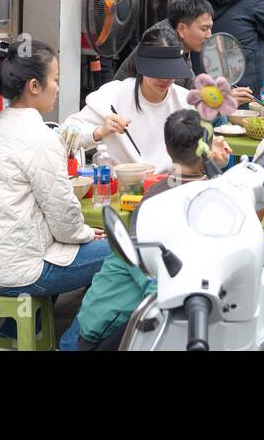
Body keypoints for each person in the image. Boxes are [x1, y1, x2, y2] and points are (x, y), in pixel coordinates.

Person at [0, 39, 110, 297]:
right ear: (35, 86)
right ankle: (75, 339)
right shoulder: (40, 138)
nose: (58, 88)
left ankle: (16, 331)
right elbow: (65, 223)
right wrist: (87, 233)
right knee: (124, 251)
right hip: (20, 274)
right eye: (56, 80)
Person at [59, 109, 210, 351]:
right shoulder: (210, 198)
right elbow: (155, 290)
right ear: (207, 150)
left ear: (168, 149)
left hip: (99, 317)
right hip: (112, 328)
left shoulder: (153, 196)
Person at [63, 44, 230, 172]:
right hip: (120, 188)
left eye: (171, 71)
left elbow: (209, 158)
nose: (165, 78)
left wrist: (217, 155)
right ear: (141, 67)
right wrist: (99, 131)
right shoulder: (113, 94)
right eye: (157, 72)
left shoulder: (186, 101)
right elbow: (64, 134)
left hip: (168, 188)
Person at [114, 0, 215, 85]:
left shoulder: (182, 43)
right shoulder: (163, 42)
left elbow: (189, 82)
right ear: (181, 29)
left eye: (210, 28)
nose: (209, 35)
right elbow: (176, 89)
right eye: (204, 29)